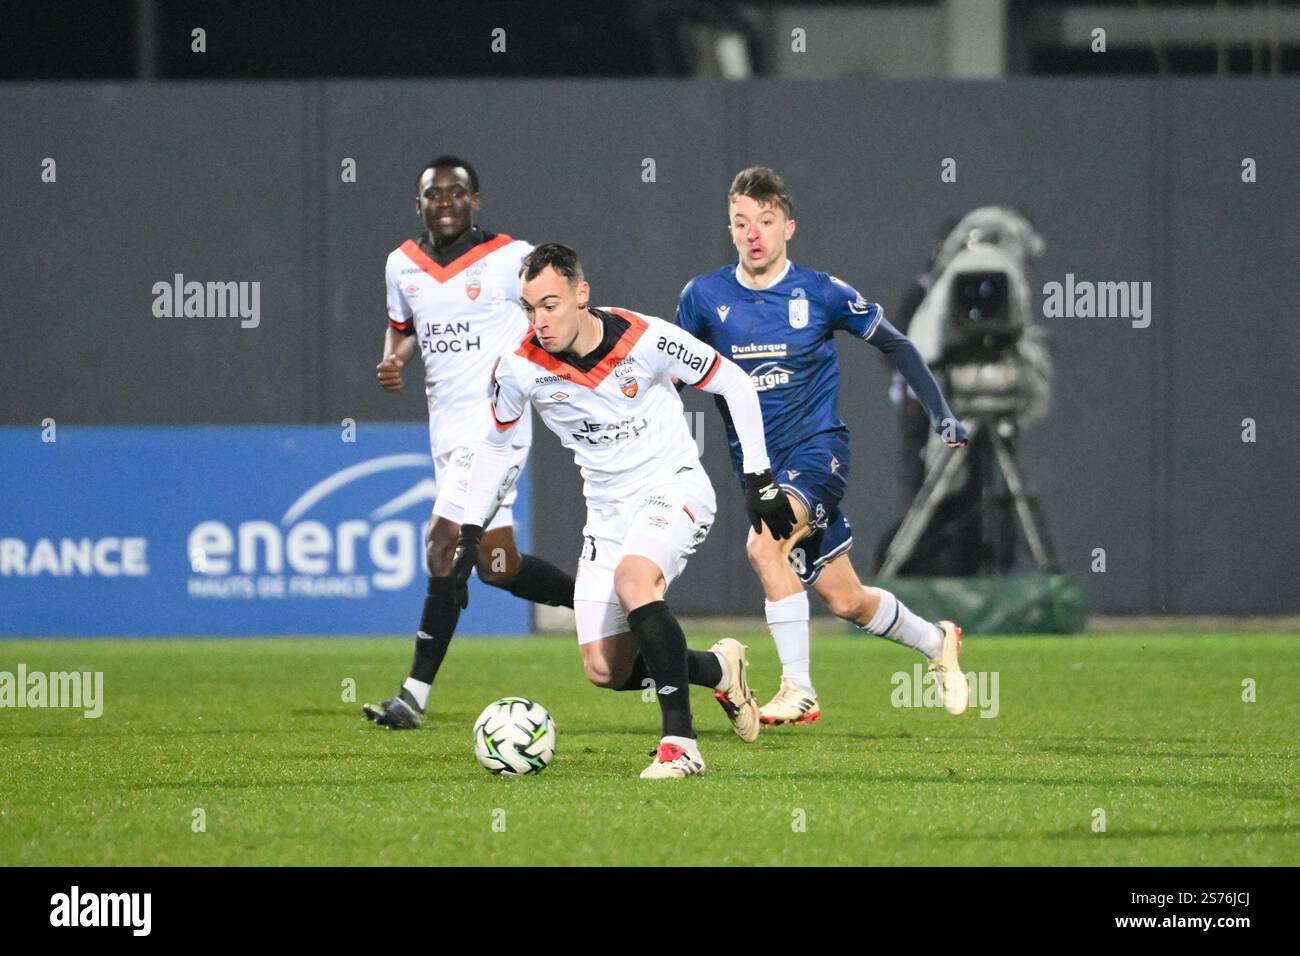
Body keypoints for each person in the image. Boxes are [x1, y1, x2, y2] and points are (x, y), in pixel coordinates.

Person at [453, 242, 796, 778]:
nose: (539, 321)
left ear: (581, 294)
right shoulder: (519, 367)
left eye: (550, 304)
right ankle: (718, 668)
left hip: (673, 485)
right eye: (529, 308)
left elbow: (733, 379)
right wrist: (471, 530)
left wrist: (759, 476)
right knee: (604, 668)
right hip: (608, 512)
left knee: (636, 581)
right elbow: (497, 445)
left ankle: (680, 746)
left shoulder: (645, 337)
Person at [675, 166, 971, 724]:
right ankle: (938, 641)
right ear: (731, 228)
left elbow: (898, 345)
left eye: (766, 221)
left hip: (818, 454)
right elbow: (669, 376)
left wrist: (941, 413)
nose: (753, 233)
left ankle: (799, 688)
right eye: (742, 222)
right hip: (758, 472)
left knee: (765, 547)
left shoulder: (821, 292)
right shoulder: (703, 297)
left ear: (789, 226)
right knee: (847, 599)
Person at [362, 155, 576, 730]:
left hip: (496, 430)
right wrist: (394, 358)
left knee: (440, 541)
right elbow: (403, 328)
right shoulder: (401, 265)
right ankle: (598, 602)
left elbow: (558, 306)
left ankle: (413, 695)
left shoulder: (511, 259)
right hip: (447, 436)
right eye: (434, 194)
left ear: (475, 200)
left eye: (457, 193)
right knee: (498, 566)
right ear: (419, 204)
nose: (446, 202)